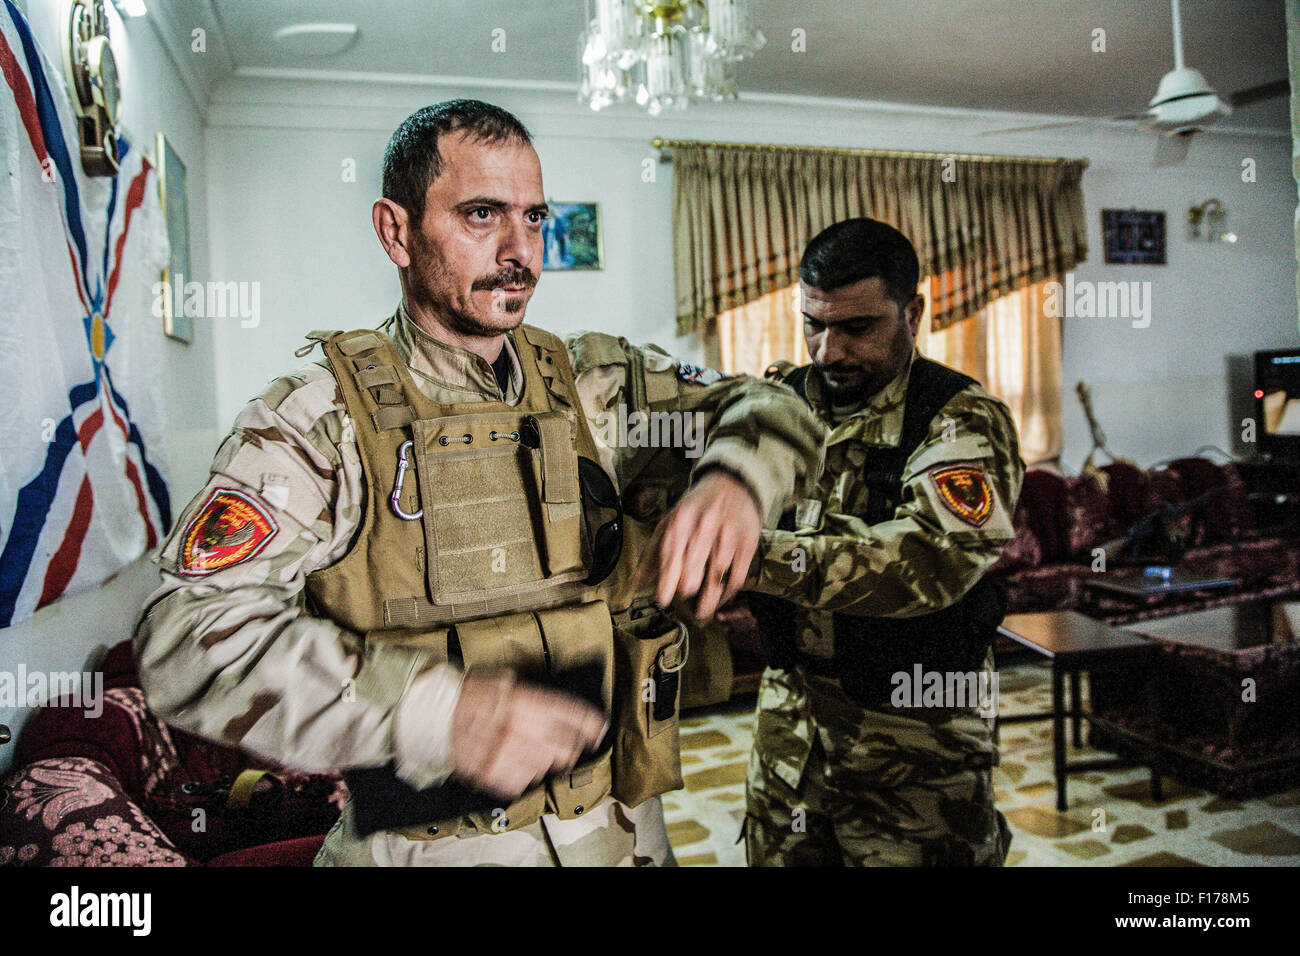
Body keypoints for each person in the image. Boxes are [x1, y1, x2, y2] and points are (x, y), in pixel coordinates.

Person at [132, 99, 823, 867]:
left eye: (533, 218)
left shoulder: (596, 379)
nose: (518, 250)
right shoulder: (318, 417)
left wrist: (736, 478)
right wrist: (435, 713)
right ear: (395, 230)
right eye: (481, 214)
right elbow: (186, 634)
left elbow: (774, 402)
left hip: (624, 832)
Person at [736, 217, 1025, 866]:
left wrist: (750, 555)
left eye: (858, 328)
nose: (828, 350)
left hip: (914, 742)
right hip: (792, 723)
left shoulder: (960, 418)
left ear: (913, 312)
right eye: (814, 323)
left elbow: (929, 560)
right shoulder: (781, 401)